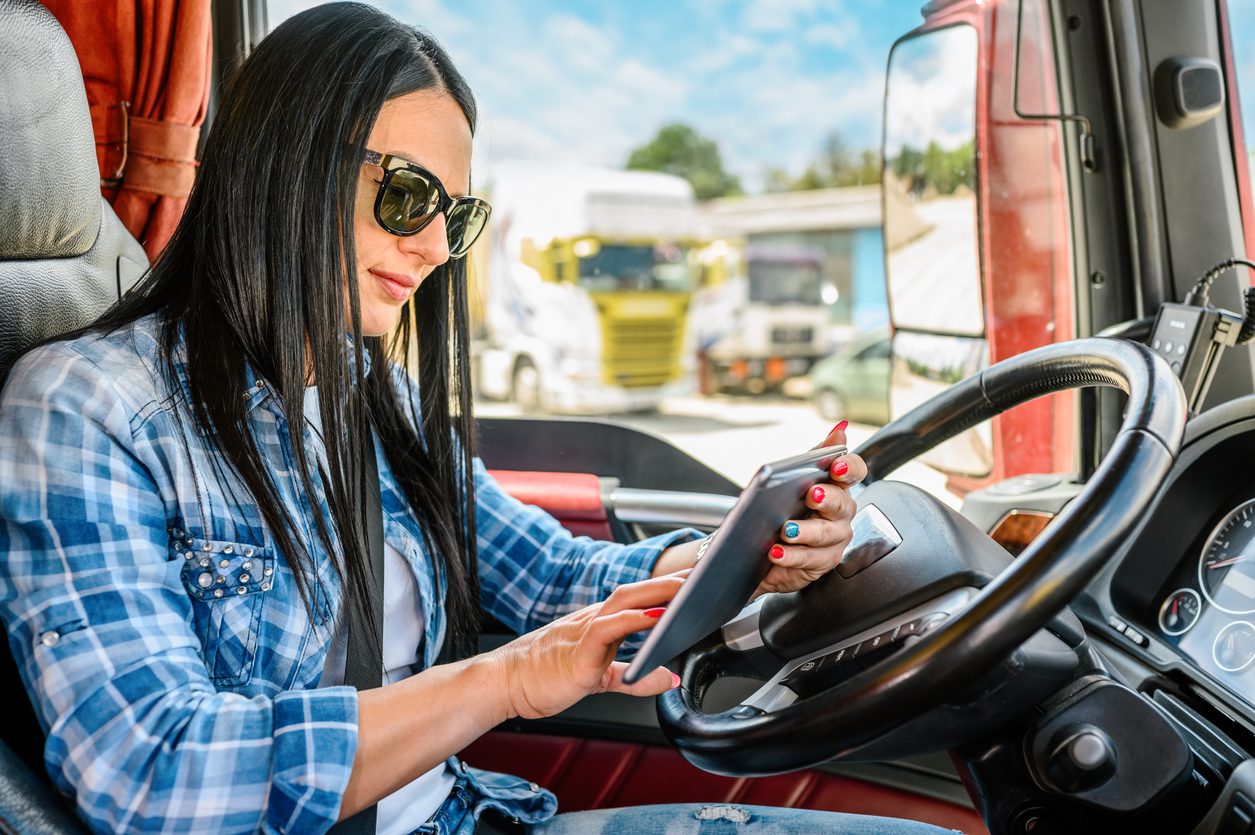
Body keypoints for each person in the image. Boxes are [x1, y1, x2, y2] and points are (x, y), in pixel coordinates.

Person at [0, 4, 955, 834]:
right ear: (279, 166)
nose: (429, 247)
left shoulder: (369, 388)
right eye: (405, 193)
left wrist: (745, 552)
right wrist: (502, 680)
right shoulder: (85, 406)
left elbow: (550, 575)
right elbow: (151, 777)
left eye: (450, 216)